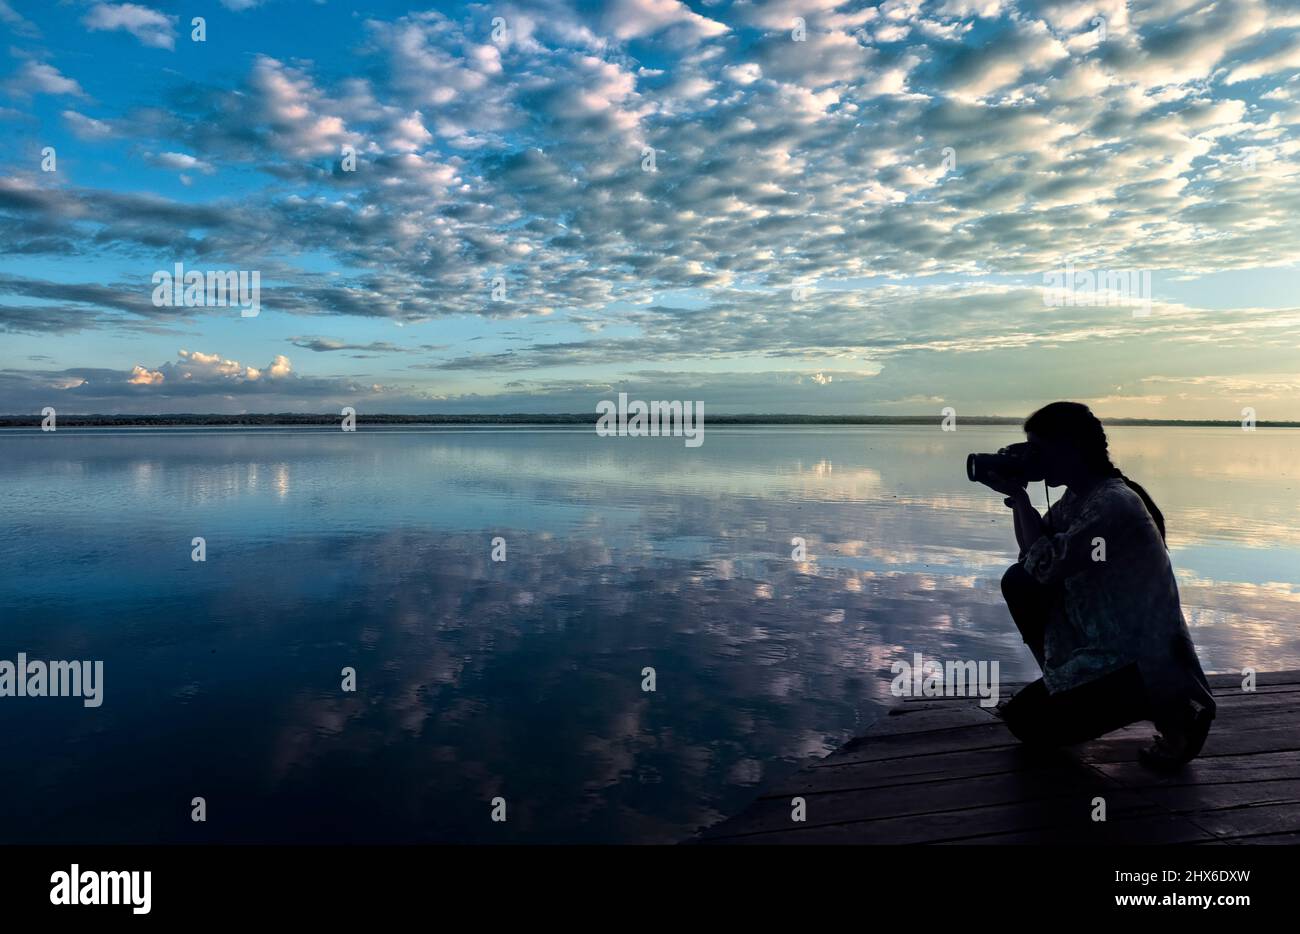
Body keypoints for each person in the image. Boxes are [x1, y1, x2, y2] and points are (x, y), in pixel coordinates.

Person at [981, 401, 1215, 769]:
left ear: (1071, 448)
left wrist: (1023, 499)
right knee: (1018, 582)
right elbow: (1033, 556)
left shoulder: (1112, 504)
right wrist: (1018, 500)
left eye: (1039, 449)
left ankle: (1173, 711)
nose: (1034, 459)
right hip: (1103, 648)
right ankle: (1077, 684)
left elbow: (1044, 566)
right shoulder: (1081, 497)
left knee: (1030, 724)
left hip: (1137, 661)